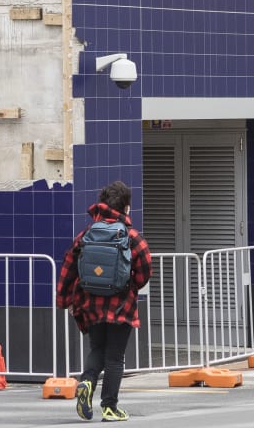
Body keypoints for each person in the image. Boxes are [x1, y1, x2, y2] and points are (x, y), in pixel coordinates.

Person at [56, 181, 151, 422]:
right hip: (122, 306)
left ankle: (87, 382)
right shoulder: (132, 237)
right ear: (126, 208)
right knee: (115, 356)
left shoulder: (86, 234)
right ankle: (109, 407)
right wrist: (130, 286)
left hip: (90, 304)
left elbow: (69, 266)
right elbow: (144, 271)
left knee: (97, 349)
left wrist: (64, 299)